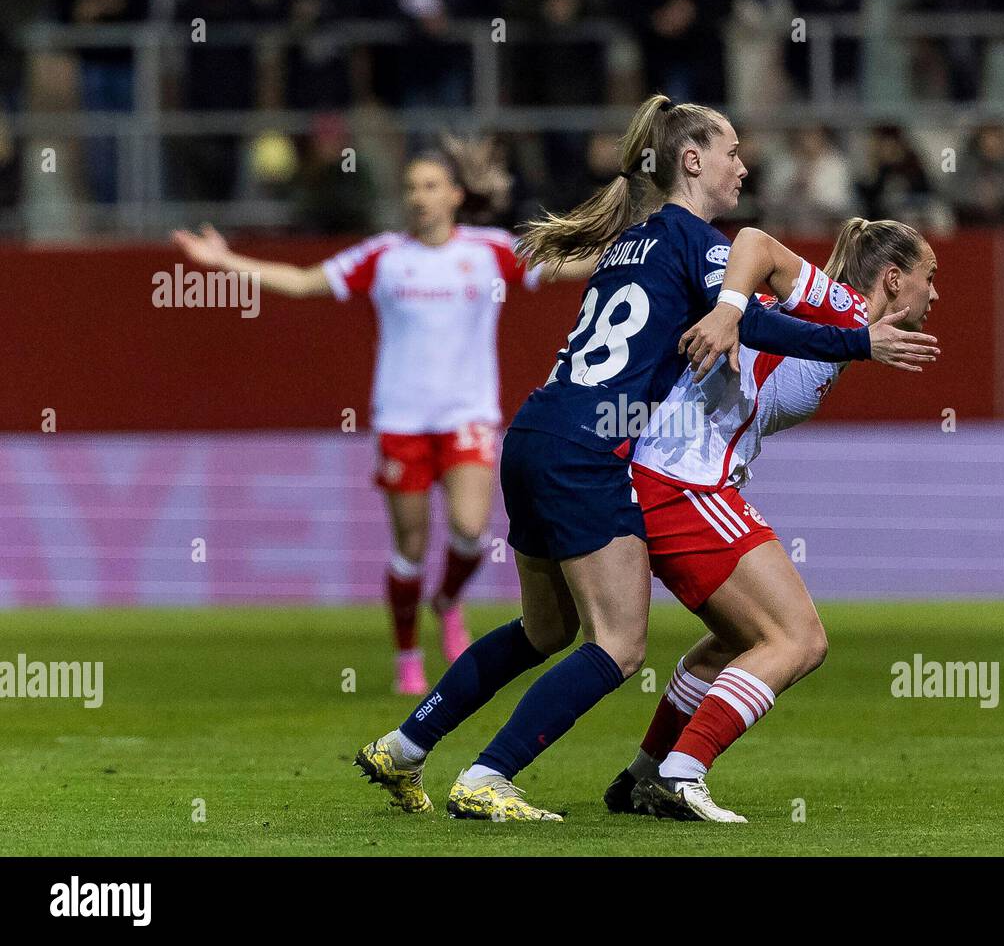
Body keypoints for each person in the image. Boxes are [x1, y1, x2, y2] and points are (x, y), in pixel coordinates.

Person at [353, 94, 939, 822]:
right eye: (731, 152)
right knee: (623, 645)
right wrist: (847, 337)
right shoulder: (701, 244)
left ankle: (407, 743)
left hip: (535, 430)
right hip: (594, 450)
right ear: (692, 160)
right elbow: (750, 284)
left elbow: (740, 310)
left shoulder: (636, 240)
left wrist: (740, 315)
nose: (743, 165)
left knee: (545, 631)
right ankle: (490, 776)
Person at [172, 151, 591, 694]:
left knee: (470, 530)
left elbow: (567, 265)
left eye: (431, 185)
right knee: (409, 546)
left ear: (455, 196)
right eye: (412, 186)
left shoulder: (489, 252)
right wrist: (223, 262)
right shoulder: (386, 256)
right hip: (402, 420)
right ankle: (407, 657)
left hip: (467, 415)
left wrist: (636, 242)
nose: (419, 196)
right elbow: (302, 282)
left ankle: (446, 601)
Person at [607, 218, 938, 821]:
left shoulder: (839, 329)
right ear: (891, 279)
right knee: (800, 640)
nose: (935, 294)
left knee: (740, 640)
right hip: (684, 481)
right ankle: (683, 773)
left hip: (680, 477)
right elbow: (754, 242)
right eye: (928, 277)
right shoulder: (838, 305)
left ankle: (646, 772)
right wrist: (731, 308)